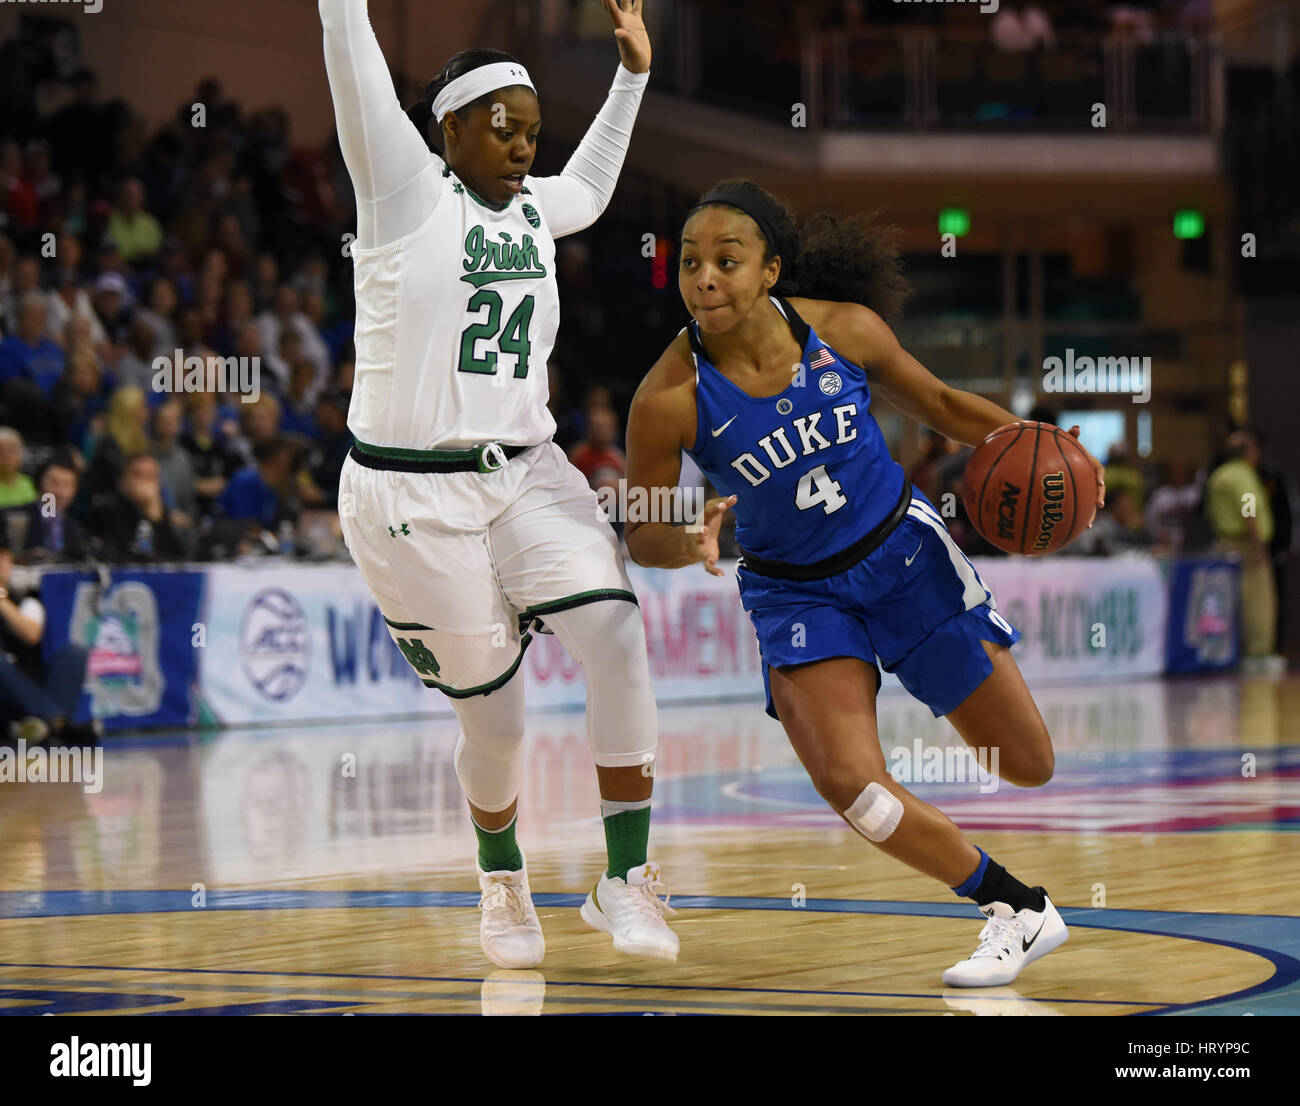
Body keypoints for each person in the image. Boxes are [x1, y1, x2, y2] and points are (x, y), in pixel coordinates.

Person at [623, 179, 1106, 988]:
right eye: (693, 263)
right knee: (857, 790)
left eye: (728, 261)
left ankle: (1015, 900)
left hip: (904, 560)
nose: (706, 277)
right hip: (797, 595)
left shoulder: (842, 331)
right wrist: (691, 537)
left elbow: (947, 405)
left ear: (770, 270)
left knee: (1026, 762)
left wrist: (1041, 443)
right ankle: (1016, 909)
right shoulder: (665, 397)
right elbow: (640, 534)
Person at [319, 0, 672, 968]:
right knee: (500, 718)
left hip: (525, 471)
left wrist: (633, 74)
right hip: (407, 497)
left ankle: (625, 880)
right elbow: (347, 49)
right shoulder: (400, 192)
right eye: (503, 128)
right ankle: (502, 877)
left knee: (615, 628)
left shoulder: (530, 207)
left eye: (531, 131)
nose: (523, 147)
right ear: (450, 129)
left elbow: (591, 189)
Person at [0, 536, 96, 746]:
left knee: (74, 654)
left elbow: (31, 634)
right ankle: (57, 724)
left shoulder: (27, 598)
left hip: (30, 684)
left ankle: (38, 727)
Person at [1207, 430, 1279, 667]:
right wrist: (1257, 543)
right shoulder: (1242, 475)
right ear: (1250, 453)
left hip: (1223, 541)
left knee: (1228, 599)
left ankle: (1229, 650)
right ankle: (1257, 654)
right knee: (1257, 600)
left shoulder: (1219, 475)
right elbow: (1248, 508)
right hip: (1246, 543)